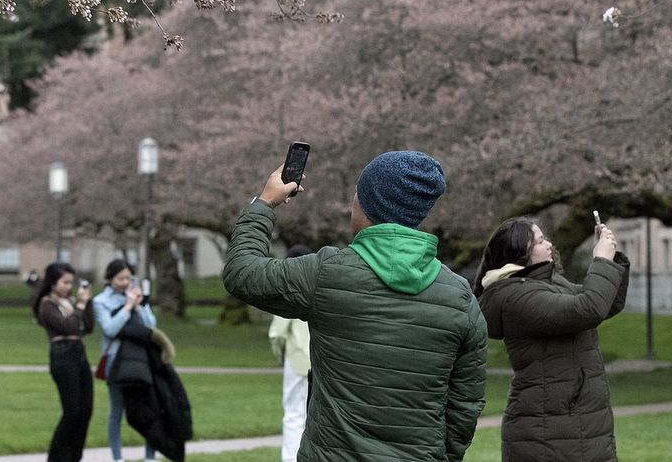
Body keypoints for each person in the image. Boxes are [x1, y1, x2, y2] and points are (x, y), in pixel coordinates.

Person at [224, 150, 488, 461]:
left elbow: (241, 272)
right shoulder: (460, 297)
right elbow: (465, 404)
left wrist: (265, 202)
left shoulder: (327, 275)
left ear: (366, 204)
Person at [473, 216, 630, 462]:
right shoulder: (516, 297)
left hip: (573, 422)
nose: (548, 245)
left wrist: (612, 258)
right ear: (518, 254)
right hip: (547, 431)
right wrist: (601, 260)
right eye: (538, 242)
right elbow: (588, 309)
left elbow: (605, 303)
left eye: (544, 238)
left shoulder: (548, 284)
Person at [92, 259, 158, 462]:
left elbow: (151, 327)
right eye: (120, 278)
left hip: (140, 361)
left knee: (149, 409)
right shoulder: (101, 301)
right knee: (116, 411)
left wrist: (138, 306)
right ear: (110, 278)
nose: (124, 282)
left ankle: (149, 456)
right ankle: (117, 457)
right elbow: (110, 329)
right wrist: (127, 307)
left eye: (128, 278)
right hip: (116, 361)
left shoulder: (136, 297)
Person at [34, 262, 96, 462]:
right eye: (65, 282)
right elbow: (67, 327)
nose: (69, 287)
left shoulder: (71, 302)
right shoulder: (47, 305)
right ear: (53, 283)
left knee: (85, 410)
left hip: (79, 354)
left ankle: (74, 457)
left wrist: (87, 303)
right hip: (62, 356)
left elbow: (87, 327)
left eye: (71, 282)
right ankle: (57, 457)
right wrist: (79, 306)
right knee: (72, 411)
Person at [268, 244, 313, 462]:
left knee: (294, 415)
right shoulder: (318, 288)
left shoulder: (289, 292)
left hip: (296, 359)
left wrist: (279, 356)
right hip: (320, 361)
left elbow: (277, 334)